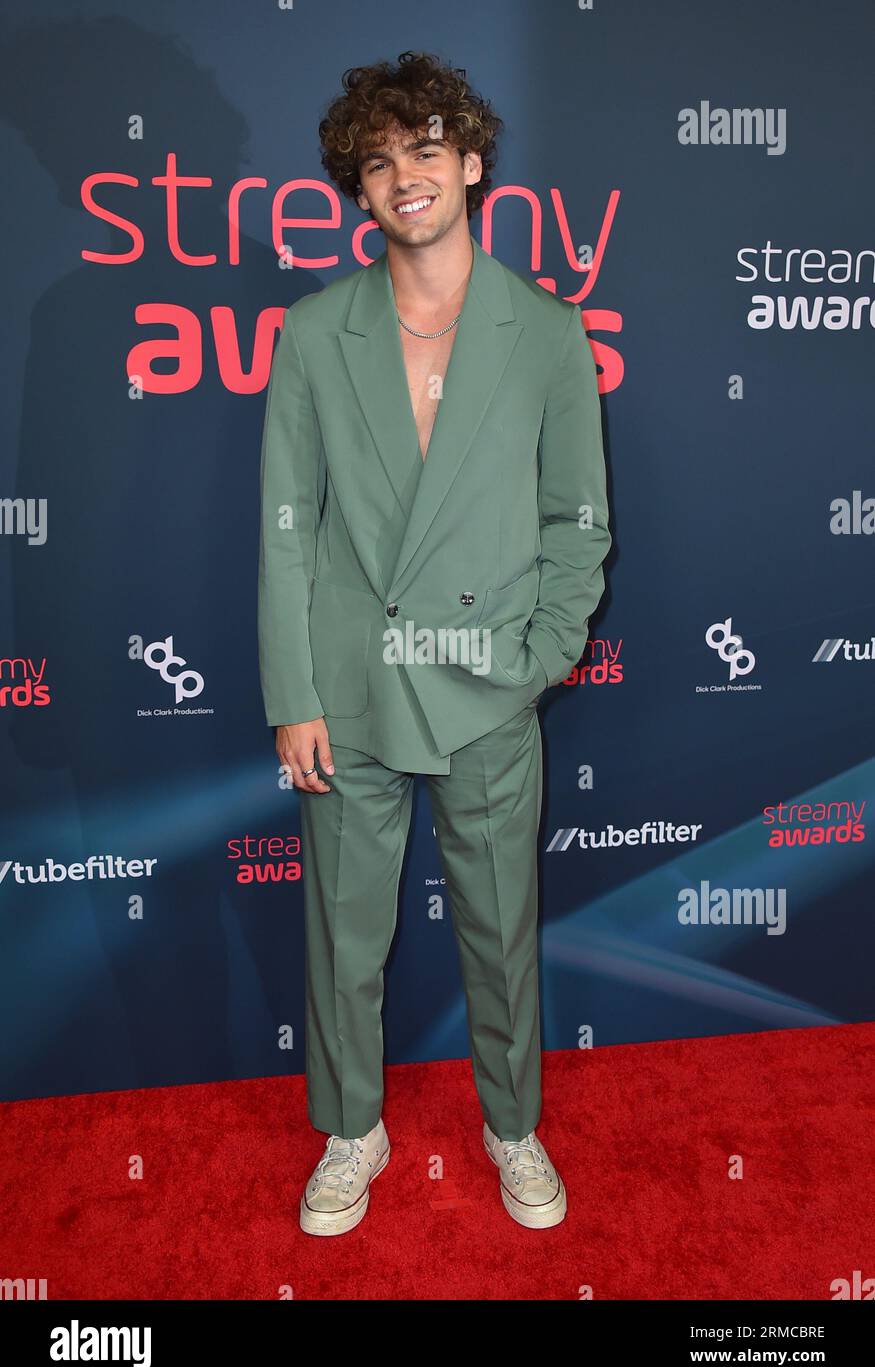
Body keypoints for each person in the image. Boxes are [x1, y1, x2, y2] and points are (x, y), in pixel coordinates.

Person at [257, 51, 611, 1236]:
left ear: (469, 163)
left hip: (485, 690)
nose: (403, 174)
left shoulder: (547, 332)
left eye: (423, 149)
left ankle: (512, 1126)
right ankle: (351, 1129)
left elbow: (576, 518)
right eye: (377, 159)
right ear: (356, 193)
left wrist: (542, 656)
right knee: (343, 939)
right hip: (350, 689)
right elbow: (286, 529)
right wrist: (293, 691)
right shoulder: (312, 336)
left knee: (500, 938)